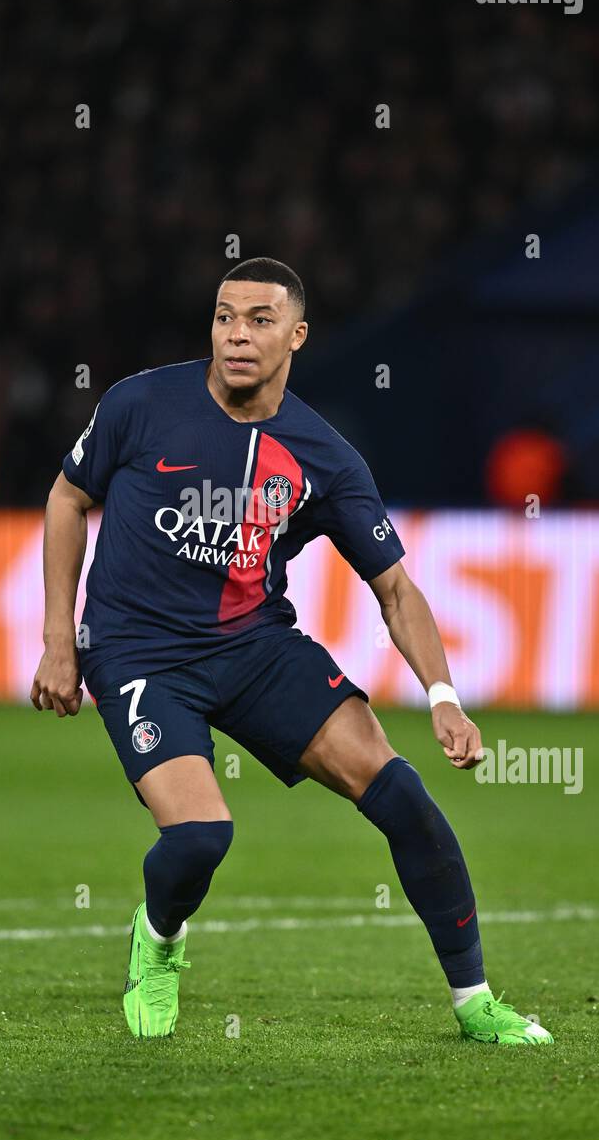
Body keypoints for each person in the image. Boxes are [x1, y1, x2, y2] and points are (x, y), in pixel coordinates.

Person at [31, 257, 554, 1047]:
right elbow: (69, 497)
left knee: (405, 799)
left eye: (260, 320)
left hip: (255, 647)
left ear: (297, 334)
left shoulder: (324, 457)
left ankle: (475, 1001)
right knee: (202, 836)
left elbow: (396, 590)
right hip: (139, 654)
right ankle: (160, 940)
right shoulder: (139, 403)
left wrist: (444, 697)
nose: (237, 335)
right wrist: (57, 640)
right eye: (224, 317)